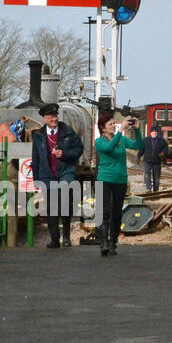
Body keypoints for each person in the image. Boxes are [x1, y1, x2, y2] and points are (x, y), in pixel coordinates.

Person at [31, 103, 84, 249]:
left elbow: (79, 148)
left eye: (55, 116)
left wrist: (65, 154)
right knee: (50, 207)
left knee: (64, 203)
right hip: (47, 175)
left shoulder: (68, 131)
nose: (54, 119)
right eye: (50, 117)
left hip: (65, 172)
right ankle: (55, 239)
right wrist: (36, 179)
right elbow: (35, 158)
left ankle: (66, 237)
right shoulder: (38, 135)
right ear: (44, 119)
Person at [94, 114, 130, 255]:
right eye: (111, 124)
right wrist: (121, 129)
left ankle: (113, 242)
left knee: (116, 212)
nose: (114, 126)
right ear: (102, 128)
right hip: (104, 178)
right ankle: (103, 242)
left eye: (115, 123)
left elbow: (138, 145)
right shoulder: (99, 142)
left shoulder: (121, 139)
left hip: (120, 180)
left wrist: (138, 130)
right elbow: (109, 148)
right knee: (103, 211)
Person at [139, 125, 169, 193]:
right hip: (147, 160)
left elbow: (166, 148)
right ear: (150, 132)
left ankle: (156, 189)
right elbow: (141, 149)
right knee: (147, 174)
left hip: (157, 161)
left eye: (155, 131)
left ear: (157, 132)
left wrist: (163, 153)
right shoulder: (146, 140)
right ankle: (148, 188)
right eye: (153, 131)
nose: (154, 133)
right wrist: (138, 156)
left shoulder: (162, 140)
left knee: (157, 176)